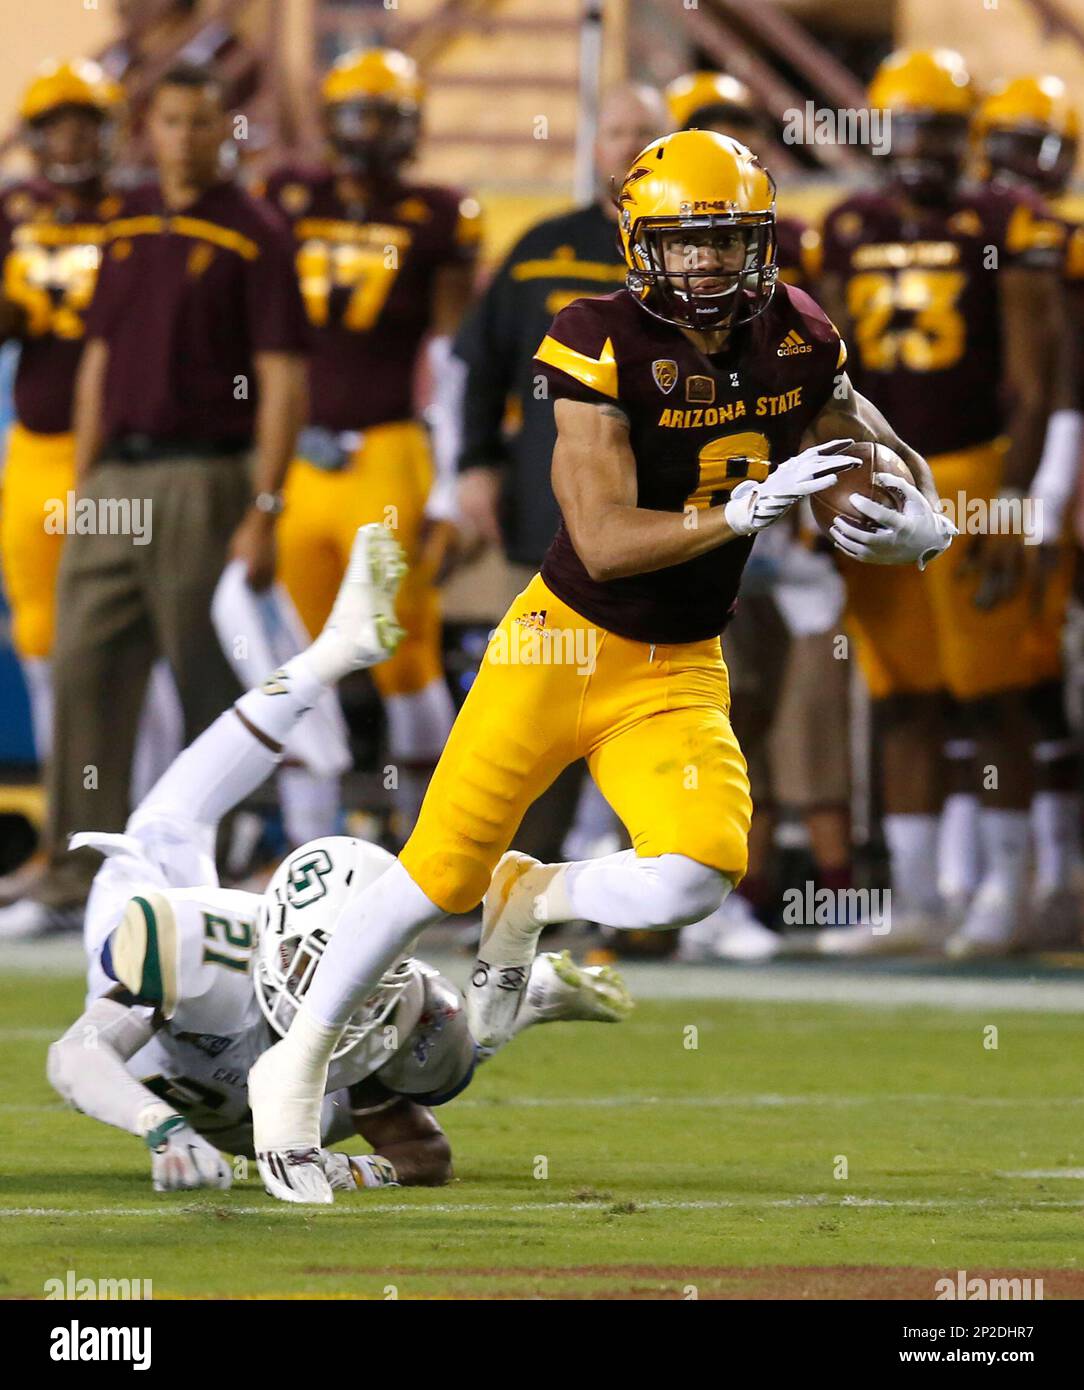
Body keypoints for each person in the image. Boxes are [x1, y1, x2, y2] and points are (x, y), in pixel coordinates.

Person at [246, 129, 955, 1204]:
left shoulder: (799, 330)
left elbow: (865, 430)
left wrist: (925, 516)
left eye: (727, 242)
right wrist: (746, 509)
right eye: (686, 245)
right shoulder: (593, 337)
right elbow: (607, 536)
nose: (710, 266)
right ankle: (289, 1070)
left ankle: (536, 895)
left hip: (677, 663)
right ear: (638, 246)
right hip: (562, 644)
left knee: (693, 877)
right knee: (433, 875)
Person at [46, 525, 630, 1194]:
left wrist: (348, 1169)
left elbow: (424, 1153)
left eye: (354, 952)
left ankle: (523, 1000)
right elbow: (74, 1059)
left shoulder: (402, 1002)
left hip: (311, 1110)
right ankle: (330, 652)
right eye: (316, 952)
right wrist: (160, 1126)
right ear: (274, 931)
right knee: (160, 832)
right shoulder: (196, 944)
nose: (332, 975)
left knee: (439, 1050)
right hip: (165, 1065)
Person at [0, 63, 308, 938]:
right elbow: (98, 358)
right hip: (114, 477)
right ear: (152, 129)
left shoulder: (257, 233)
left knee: (206, 675)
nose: (182, 138)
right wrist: (88, 472)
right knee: (84, 663)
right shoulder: (126, 224)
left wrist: (265, 506)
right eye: (169, 121)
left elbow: (284, 381)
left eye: (199, 122)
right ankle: (72, 872)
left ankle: (218, 860)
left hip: (203, 474)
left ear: (225, 131)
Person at [817, 50, 1070, 958]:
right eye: (905, 125)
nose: (918, 145)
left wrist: (1015, 504)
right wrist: (828, 483)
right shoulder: (849, 224)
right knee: (903, 696)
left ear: (965, 136)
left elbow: (1034, 384)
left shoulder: (1005, 221)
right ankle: (920, 897)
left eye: (936, 127)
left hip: (968, 474)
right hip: (875, 475)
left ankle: (1007, 888)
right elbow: (826, 376)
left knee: (993, 694)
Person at [260, 47, 480, 846]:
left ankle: (430, 854)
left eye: (387, 114)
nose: (371, 132)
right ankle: (304, 855)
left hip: (388, 450)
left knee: (404, 652)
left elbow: (454, 365)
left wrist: (452, 492)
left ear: (413, 125)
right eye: (359, 113)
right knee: (294, 663)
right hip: (300, 460)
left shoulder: (437, 213)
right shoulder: (286, 198)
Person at [453, 81, 667, 877]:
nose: (627, 147)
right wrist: (473, 466)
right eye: (615, 132)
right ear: (594, 143)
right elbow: (477, 368)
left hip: (667, 520)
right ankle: (518, 876)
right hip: (548, 516)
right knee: (535, 702)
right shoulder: (541, 246)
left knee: (665, 700)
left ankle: (656, 879)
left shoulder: (701, 254)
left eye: (644, 133)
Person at [664, 70, 854, 959]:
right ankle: (726, 892)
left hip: (791, 507)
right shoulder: (648, 284)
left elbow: (828, 387)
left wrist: (829, 502)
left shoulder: (794, 263)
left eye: (745, 139)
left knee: (804, 705)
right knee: (722, 705)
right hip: (703, 518)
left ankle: (816, 890)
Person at [970, 74, 1083, 948]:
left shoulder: (1054, 240)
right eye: (1007, 142)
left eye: (1037, 143)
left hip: (1054, 479)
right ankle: (1043, 877)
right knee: (1028, 683)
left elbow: (1064, 380)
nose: (1022, 164)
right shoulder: (984, 236)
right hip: (1036, 477)